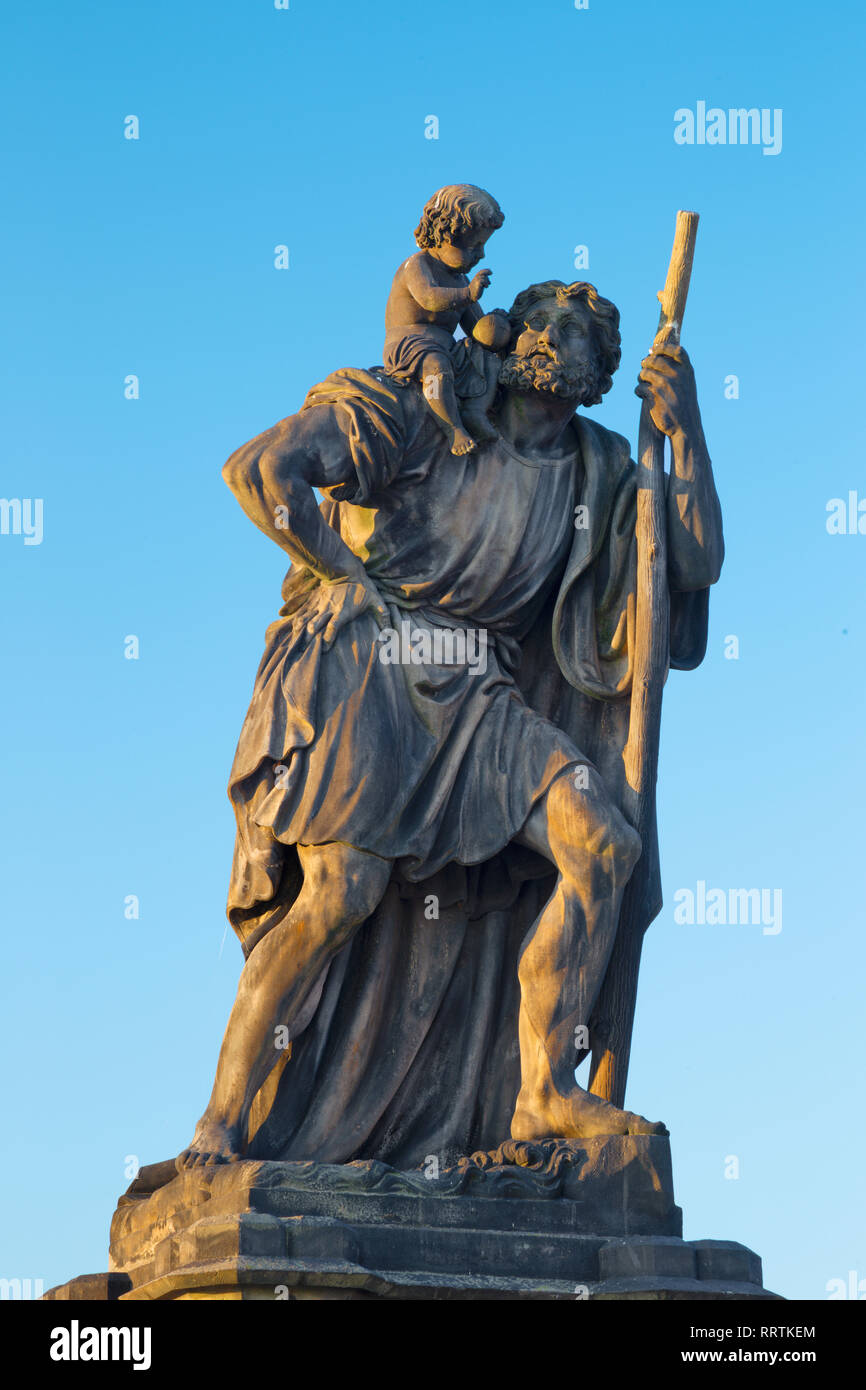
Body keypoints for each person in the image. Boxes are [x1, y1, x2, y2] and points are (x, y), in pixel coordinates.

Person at [177, 278, 723, 1172]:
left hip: (478, 690)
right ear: (509, 339)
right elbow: (261, 470)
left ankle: (544, 1089)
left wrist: (688, 427)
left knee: (602, 844)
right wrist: (339, 576)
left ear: (599, 373)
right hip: (370, 661)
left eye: (581, 334)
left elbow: (690, 562)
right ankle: (222, 1125)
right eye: (545, 321)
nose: (557, 341)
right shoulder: (423, 412)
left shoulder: (604, 468)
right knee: (338, 895)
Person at [383, 183, 508, 454]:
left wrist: (496, 327)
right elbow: (430, 299)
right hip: (411, 344)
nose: (481, 254)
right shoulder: (417, 265)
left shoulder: (461, 279)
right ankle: (454, 430)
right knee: (436, 367)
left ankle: (476, 411)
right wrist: (468, 293)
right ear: (446, 235)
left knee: (488, 360)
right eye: (475, 245)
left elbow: (476, 327)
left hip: (448, 347)